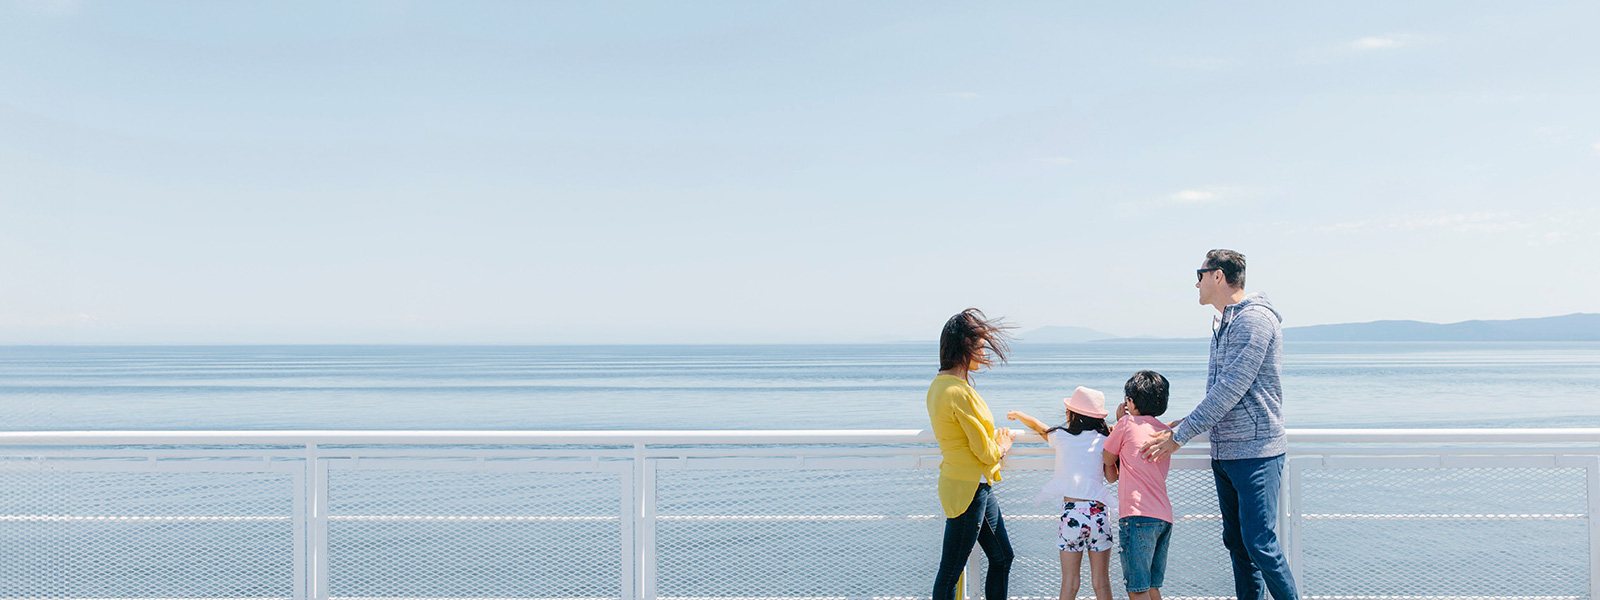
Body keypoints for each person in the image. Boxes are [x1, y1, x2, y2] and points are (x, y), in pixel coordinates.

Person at [1141, 249, 1299, 600]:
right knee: (1239, 545)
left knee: (1260, 543)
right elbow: (1222, 392)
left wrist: (1180, 436)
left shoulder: (1253, 320)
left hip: (1256, 451)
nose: (1196, 282)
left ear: (1218, 276)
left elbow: (1232, 386)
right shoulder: (1226, 321)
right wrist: (1181, 423)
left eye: (1200, 273)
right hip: (1226, 450)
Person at [927, 308, 1016, 600]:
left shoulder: (939, 386)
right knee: (951, 571)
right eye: (979, 347)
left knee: (1002, 556)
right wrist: (1003, 444)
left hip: (971, 485)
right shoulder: (959, 392)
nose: (984, 353)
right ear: (965, 347)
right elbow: (986, 452)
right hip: (968, 489)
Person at [1007, 386, 1117, 600]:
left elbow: (1039, 427)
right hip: (1098, 513)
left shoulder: (1061, 436)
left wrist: (1020, 415)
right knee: (1101, 582)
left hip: (1072, 514)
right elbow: (1111, 475)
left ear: (1072, 414)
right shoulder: (1104, 439)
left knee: (1070, 582)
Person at [1103, 371, 1175, 600]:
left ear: (1131, 402)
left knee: (1137, 589)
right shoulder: (1164, 431)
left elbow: (1106, 458)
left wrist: (1118, 422)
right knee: (1152, 587)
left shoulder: (1126, 424)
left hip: (1136, 516)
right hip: (1163, 517)